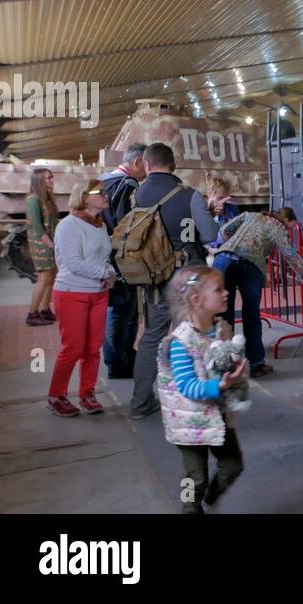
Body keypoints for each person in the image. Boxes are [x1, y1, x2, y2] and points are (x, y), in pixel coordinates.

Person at [130, 143, 224, 420]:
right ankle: (193, 399)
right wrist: (211, 215)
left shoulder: (135, 195)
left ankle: (140, 402)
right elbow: (210, 236)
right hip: (188, 281)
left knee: (151, 338)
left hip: (152, 277)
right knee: (192, 338)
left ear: (146, 165)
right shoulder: (189, 195)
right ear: (173, 164)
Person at [159, 265, 247, 514]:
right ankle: (190, 508)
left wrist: (235, 372)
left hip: (217, 416)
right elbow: (186, 386)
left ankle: (210, 496)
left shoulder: (223, 328)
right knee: (195, 478)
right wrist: (220, 385)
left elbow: (224, 360)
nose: (226, 293)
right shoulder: (181, 342)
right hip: (189, 420)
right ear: (197, 300)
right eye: (219, 289)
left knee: (233, 466)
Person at [212, 207, 303, 377]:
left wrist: (229, 245)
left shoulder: (250, 214)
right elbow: (291, 255)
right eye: (290, 227)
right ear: (285, 221)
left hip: (223, 259)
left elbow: (225, 230)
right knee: (251, 316)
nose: (289, 232)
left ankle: (223, 366)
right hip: (250, 265)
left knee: (222, 315)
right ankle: (256, 364)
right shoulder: (278, 227)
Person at [47, 180, 117, 417]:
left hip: (98, 294)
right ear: (84, 197)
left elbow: (103, 258)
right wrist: (105, 274)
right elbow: (73, 263)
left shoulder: (100, 225)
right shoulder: (68, 225)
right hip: (71, 293)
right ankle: (57, 396)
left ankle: (87, 393)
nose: (106, 196)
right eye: (101, 192)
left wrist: (111, 274)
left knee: (93, 348)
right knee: (73, 348)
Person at [100, 142, 147, 379]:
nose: (146, 172)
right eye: (145, 165)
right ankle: (117, 362)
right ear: (137, 162)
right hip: (122, 258)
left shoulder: (103, 182)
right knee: (122, 311)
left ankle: (122, 355)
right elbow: (129, 227)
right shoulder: (128, 186)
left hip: (104, 256)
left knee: (118, 309)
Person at [26, 167, 59, 326]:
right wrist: (52, 245)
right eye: (48, 178)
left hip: (50, 243)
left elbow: (54, 222)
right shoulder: (33, 199)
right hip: (42, 245)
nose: (52, 180)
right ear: (39, 181)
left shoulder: (48, 198)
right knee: (44, 278)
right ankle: (32, 314)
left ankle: (45, 310)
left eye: (52, 177)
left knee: (51, 277)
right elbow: (38, 228)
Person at [206, 176, 240, 250]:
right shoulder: (202, 210)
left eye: (225, 198)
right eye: (220, 198)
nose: (223, 202)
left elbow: (238, 230)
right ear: (209, 194)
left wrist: (224, 216)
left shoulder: (232, 209)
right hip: (210, 248)